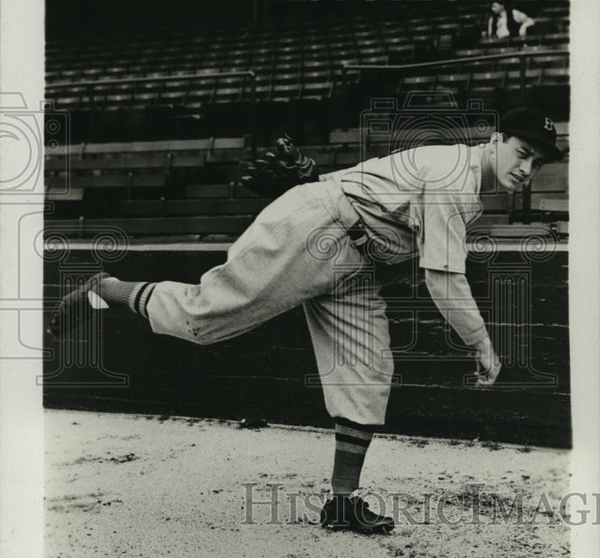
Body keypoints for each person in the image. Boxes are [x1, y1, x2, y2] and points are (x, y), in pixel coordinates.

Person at [47, 107, 563, 535]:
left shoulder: (461, 175)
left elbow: (383, 193)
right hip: (321, 228)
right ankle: (105, 289)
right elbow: (443, 280)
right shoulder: (456, 176)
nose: (527, 168)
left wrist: (316, 180)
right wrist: (481, 344)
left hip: (355, 256)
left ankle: (341, 505)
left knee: (366, 374)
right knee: (204, 320)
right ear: (495, 140)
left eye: (537, 163)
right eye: (522, 152)